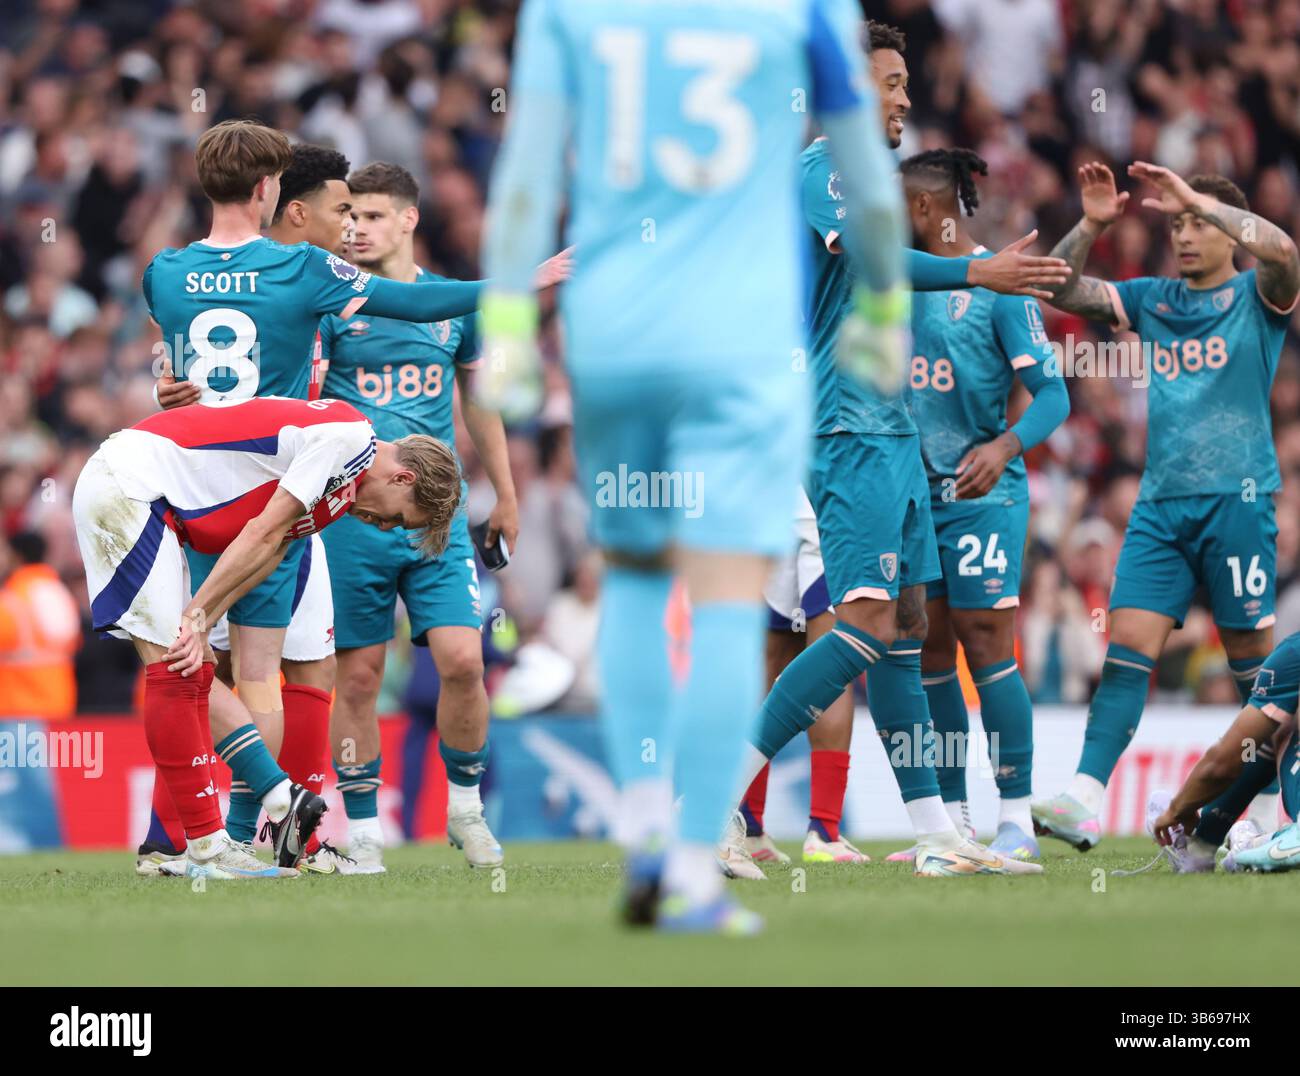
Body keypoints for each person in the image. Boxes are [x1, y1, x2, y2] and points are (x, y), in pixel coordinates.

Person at [478, 0, 912, 933]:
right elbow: (868, 177)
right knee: (726, 596)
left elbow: (524, 172)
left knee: (633, 584)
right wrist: (881, 307)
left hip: (616, 330)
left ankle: (642, 832)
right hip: (743, 337)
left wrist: (510, 320)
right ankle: (689, 864)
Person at [738, 20, 1070, 871]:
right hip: (848, 426)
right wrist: (974, 272)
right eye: (890, 83)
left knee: (907, 631)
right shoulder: (827, 170)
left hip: (895, 431)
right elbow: (881, 260)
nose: (906, 98)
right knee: (860, 625)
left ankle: (935, 833)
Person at [71, 395, 462, 878]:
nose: (384, 526)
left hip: (154, 504)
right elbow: (261, 530)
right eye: (398, 518)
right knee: (173, 665)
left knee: (191, 667)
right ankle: (242, 825)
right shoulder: (349, 441)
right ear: (404, 479)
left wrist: (204, 613)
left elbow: (272, 549)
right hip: (129, 487)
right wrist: (197, 617)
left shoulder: (344, 483)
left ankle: (215, 838)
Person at [1033, 161, 1300, 857]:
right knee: (1126, 655)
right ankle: (1084, 799)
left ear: (1225, 232)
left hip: (1238, 503)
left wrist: (1195, 196)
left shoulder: (1256, 293)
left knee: (1258, 676)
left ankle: (1266, 816)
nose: (1182, 234)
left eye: (1196, 222)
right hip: (1159, 508)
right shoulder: (1154, 298)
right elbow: (1059, 288)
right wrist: (1091, 225)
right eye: (1175, 222)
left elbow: (1284, 251)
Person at [314, 161, 530, 872]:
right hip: (353, 520)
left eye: (371, 216)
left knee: (464, 662)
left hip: (437, 519)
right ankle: (366, 828)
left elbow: (482, 400)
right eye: (348, 216)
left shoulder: (450, 303)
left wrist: (506, 491)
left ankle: (465, 811)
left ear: (407, 220)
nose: (355, 228)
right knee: (360, 678)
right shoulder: (332, 304)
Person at [895, 147, 1069, 861]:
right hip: (912, 495)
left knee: (987, 645)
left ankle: (1016, 821)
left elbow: (1055, 394)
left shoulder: (1000, 288)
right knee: (929, 650)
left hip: (981, 494)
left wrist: (1005, 447)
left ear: (928, 209)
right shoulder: (894, 282)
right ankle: (954, 823)